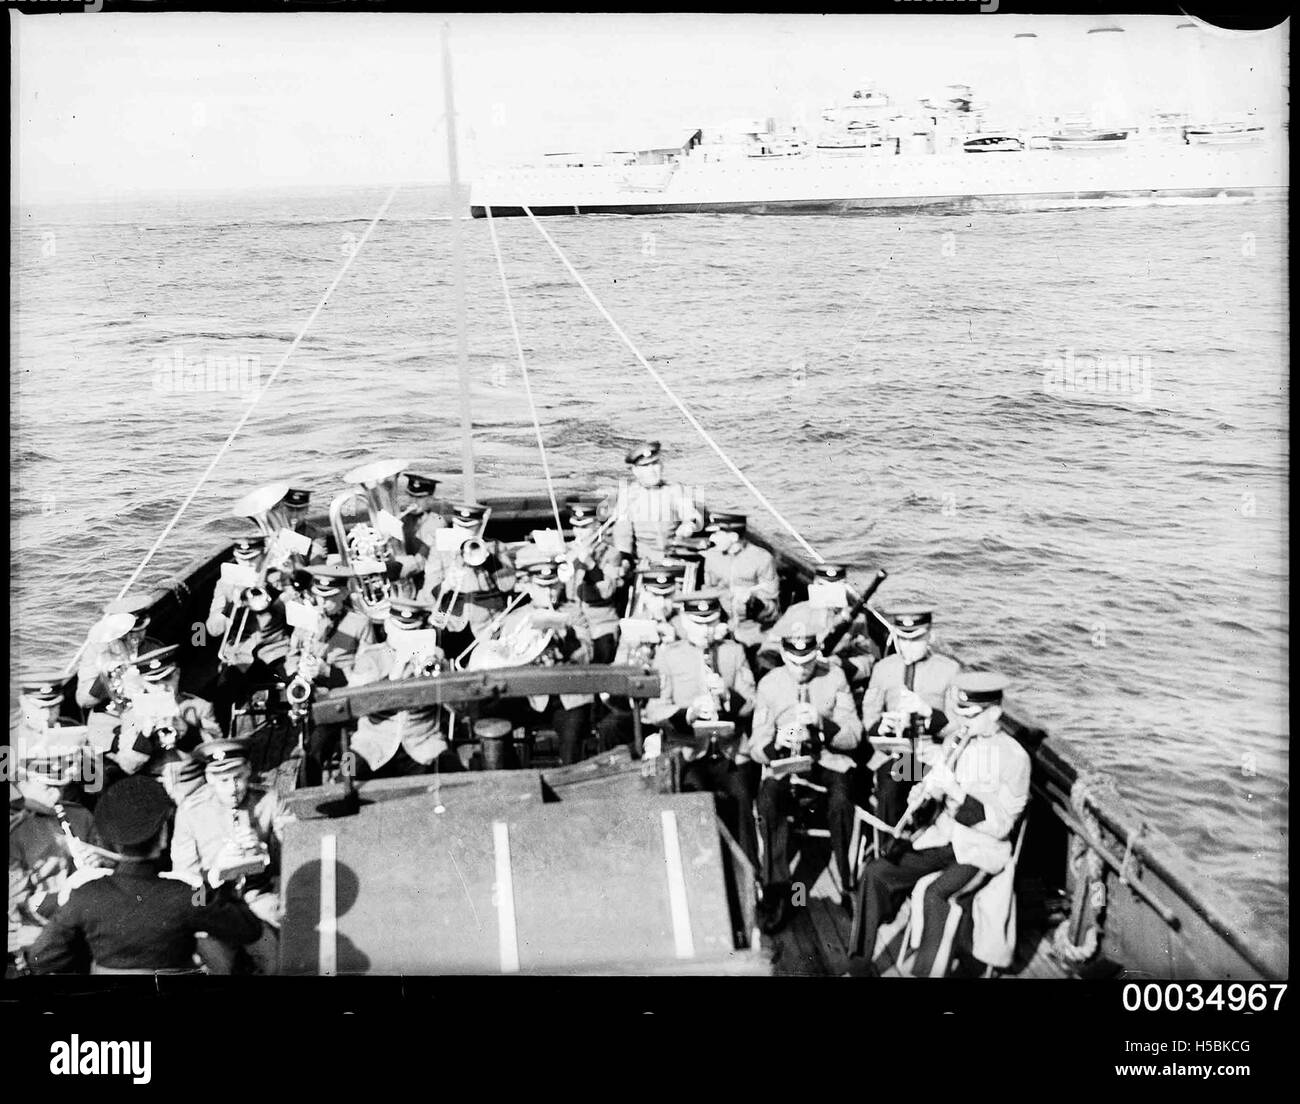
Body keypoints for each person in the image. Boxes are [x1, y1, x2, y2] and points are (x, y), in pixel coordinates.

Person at [848, 672, 1030, 978]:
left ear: (995, 712)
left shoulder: (1015, 758)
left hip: (979, 851)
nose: (964, 723)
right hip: (941, 837)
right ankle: (858, 965)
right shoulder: (957, 740)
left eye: (971, 716)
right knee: (876, 872)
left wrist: (956, 791)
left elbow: (1002, 826)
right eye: (961, 714)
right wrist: (925, 791)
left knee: (935, 895)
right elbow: (936, 781)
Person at [26, 776, 262, 975]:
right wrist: (221, 879)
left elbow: (41, 957)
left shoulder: (85, 896)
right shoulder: (188, 894)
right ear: (162, 837)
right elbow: (249, 929)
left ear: (114, 842)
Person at [750, 625, 863, 931]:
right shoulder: (769, 684)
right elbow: (756, 745)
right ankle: (777, 889)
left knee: (842, 801)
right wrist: (778, 744)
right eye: (794, 662)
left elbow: (854, 735)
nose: (801, 670)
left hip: (827, 760)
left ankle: (846, 882)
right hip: (786, 761)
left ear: (817, 655)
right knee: (768, 800)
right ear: (783, 655)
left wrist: (822, 723)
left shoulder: (834, 678)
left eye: (808, 662)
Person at [643, 593, 758, 866]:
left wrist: (728, 696)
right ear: (684, 621)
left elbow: (752, 701)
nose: (705, 631)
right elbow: (654, 710)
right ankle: (701, 870)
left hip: (731, 753)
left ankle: (750, 877)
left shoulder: (734, 651)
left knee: (742, 799)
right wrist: (689, 713)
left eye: (710, 623)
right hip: (691, 753)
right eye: (697, 623)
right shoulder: (669, 656)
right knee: (695, 798)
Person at [171, 738, 293, 974]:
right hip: (214, 905)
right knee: (217, 967)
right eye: (223, 780)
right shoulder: (190, 811)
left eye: (238, 777)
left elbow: (296, 853)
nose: (233, 787)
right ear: (209, 778)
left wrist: (265, 852)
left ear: (248, 770)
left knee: (277, 960)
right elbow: (184, 881)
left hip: (258, 898)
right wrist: (216, 871)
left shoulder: (269, 800)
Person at [9, 685, 102, 967]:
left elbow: (95, 782)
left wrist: (85, 759)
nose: (49, 714)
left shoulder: (81, 816)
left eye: (55, 706)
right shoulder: (10, 739)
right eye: (41, 707)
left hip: (81, 923)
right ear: (25, 704)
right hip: (38, 932)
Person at [859, 608, 960, 826]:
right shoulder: (883, 668)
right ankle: (888, 847)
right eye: (902, 639)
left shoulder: (949, 671)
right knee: (889, 786)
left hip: (930, 757)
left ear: (930, 636)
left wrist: (928, 713)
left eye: (915, 639)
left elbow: (958, 726)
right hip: (892, 755)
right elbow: (869, 716)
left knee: (918, 789)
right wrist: (881, 726)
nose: (906, 646)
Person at [489, 557, 595, 765]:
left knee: (572, 737)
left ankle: (572, 784)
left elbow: (588, 653)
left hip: (566, 696)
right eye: (541, 587)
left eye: (553, 585)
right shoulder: (516, 617)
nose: (549, 592)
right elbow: (503, 657)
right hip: (530, 696)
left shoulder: (574, 614)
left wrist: (567, 639)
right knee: (496, 722)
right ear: (530, 587)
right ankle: (509, 777)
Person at [347, 598, 464, 779]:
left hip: (424, 744)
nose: (405, 639)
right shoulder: (370, 656)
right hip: (372, 745)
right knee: (345, 776)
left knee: (458, 777)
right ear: (387, 626)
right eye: (399, 631)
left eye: (412, 631)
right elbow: (355, 705)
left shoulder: (435, 657)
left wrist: (441, 677)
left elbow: (459, 708)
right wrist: (395, 673)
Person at [113, 644, 220, 803]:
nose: (163, 686)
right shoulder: (133, 715)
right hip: (155, 792)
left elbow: (218, 754)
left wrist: (189, 732)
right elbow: (127, 766)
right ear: (143, 683)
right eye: (154, 682)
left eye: (167, 678)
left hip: (195, 788)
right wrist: (144, 736)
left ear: (177, 673)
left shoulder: (199, 707)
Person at [419, 502, 516, 652]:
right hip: (452, 621)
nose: (464, 534)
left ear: (479, 526)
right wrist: (445, 586)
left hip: (487, 622)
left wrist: (490, 560)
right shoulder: (440, 548)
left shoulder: (495, 547)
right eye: (460, 528)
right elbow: (428, 590)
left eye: (470, 528)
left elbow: (508, 584)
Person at [760, 563, 877, 685]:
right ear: (815, 584)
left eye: (836, 588)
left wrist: (838, 664)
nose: (829, 593)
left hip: (830, 680)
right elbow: (768, 650)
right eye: (823, 586)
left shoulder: (856, 619)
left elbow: (867, 662)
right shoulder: (796, 612)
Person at [609, 440, 705, 565]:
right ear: (635, 470)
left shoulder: (675, 489)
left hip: (677, 556)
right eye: (645, 466)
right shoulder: (627, 496)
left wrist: (688, 526)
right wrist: (626, 561)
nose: (652, 470)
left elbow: (691, 516)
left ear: (661, 465)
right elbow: (622, 536)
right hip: (645, 561)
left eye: (655, 464)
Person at [702, 511, 779, 665]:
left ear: (733, 537)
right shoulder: (712, 556)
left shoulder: (762, 559)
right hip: (724, 629)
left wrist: (752, 602)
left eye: (717, 534)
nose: (711, 538)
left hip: (755, 632)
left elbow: (772, 610)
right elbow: (708, 591)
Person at [75, 594, 163, 712]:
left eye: (140, 630)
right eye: (129, 633)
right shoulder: (96, 651)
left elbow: (167, 689)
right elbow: (83, 700)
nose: (135, 637)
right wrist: (107, 678)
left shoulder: (155, 650)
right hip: (110, 713)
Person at [564, 499, 626, 664]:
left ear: (597, 527)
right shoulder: (569, 551)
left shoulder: (610, 554)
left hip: (602, 621)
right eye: (576, 527)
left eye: (584, 527)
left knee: (603, 660)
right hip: (576, 621)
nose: (578, 532)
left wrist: (591, 564)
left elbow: (607, 591)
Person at [206, 534, 267, 639]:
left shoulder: (277, 576)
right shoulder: (226, 583)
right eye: (242, 559)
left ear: (263, 554)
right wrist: (230, 606)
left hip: (274, 646)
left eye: (253, 558)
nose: (248, 563)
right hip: (242, 648)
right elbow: (214, 630)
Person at [394, 473, 447, 585]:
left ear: (430, 499)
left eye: (419, 497)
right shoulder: (402, 517)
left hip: (426, 581)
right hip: (403, 572)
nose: (413, 501)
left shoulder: (437, 522)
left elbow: (421, 560)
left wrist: (388, 568)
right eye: (410, 496)